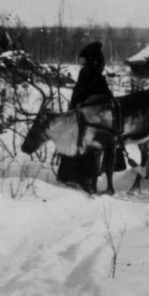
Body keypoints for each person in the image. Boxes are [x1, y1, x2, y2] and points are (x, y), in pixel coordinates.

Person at [57, 40, 123, 189]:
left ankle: (75, 176)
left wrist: (73, 109)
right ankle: (86, 177)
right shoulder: (97, 77)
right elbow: (106, 97)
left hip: (84, 116)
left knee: (80, 142)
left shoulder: (87, 74)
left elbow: (78, 95)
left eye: (84, 60)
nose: (81, 62)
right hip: (97, 117)